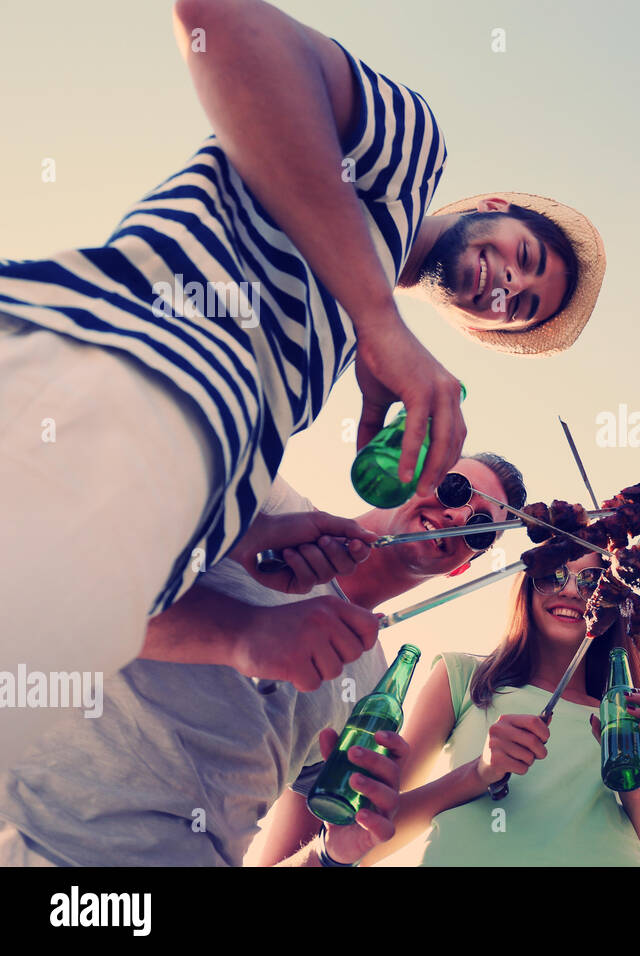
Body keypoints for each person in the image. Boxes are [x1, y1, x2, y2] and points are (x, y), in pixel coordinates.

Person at [0, 0, 605, 761]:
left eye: (518, 307)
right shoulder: (408, 158)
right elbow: (217, 19)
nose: (508, 284)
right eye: (526, 256)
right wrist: (380, 319)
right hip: (83, 374)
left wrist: (237, 531)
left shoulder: (334, 353)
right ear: (496, 207)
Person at [0, 452, 527, 866]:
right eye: (456, 489)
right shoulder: (266, 504)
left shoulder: (370, 687)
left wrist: (336, 853)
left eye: (479, 528)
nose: (457, 515)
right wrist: (243, 632)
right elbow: (52, 575)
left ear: (463, 568)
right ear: (414, 472)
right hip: (28, 827)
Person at [359, 552, 640, 867]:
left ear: (612, 604)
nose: (572, 592)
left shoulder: (629, 720)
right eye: (554, 575)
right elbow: (371, 831)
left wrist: (637, 798)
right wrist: (479, 773)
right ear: (527, 583)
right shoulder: (463, 678)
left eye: (593, 582)